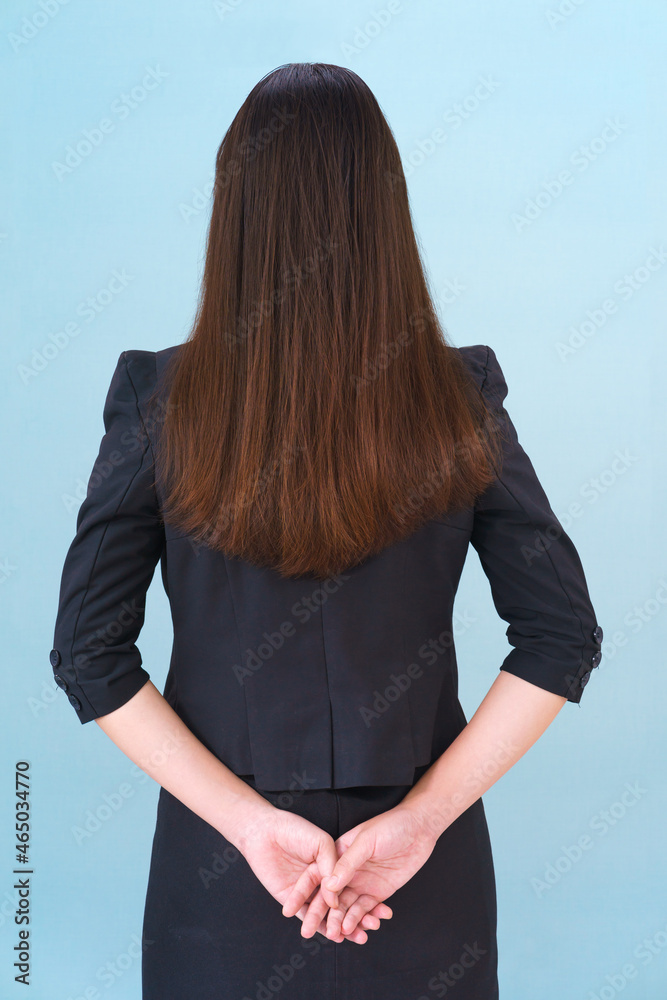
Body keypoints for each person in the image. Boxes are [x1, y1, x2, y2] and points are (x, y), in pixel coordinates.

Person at [49, 62, 603, 1000]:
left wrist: (247, 827)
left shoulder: (158, 401)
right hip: (418, 882)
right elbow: (560, 637)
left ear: (236, 211)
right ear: (383, 207)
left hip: (225, 880)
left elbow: (87, 654)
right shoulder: (458, 398)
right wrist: (422, 821)